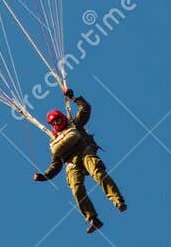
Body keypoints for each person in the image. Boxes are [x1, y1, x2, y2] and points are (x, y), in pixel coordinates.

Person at [32, 86, 126, 234]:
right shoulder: (55, 141)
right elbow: (55, 166)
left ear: (62, 117)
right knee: (76, 189)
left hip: (84, 153)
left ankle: (117, 200)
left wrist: (73, 97)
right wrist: (44, 176)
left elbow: (86, 108)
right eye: (54, 123)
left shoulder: (75, 123)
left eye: (58, 119)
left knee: (98, 173)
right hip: (72, 164)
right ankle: (93, 218)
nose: (57, 123)